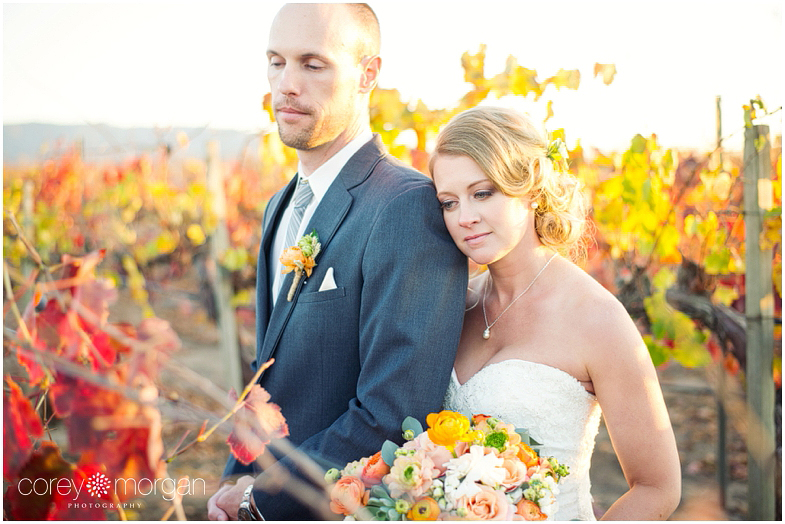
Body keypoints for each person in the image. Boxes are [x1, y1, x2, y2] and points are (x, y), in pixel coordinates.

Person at [207, 4, 467, 520]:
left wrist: (264, 498)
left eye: (313, 63)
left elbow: (394, 413)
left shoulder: (405, 207)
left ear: (368, 73)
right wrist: (235, 478)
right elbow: (270, 381)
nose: (286, 85)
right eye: (276, 62)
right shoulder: (278, 206)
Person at [431, 106, 681, 520]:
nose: (465, 218)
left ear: (530, 187)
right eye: (448, 202)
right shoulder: (454, 306)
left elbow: (658, 489)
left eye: (482, 193)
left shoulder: (597, 318)